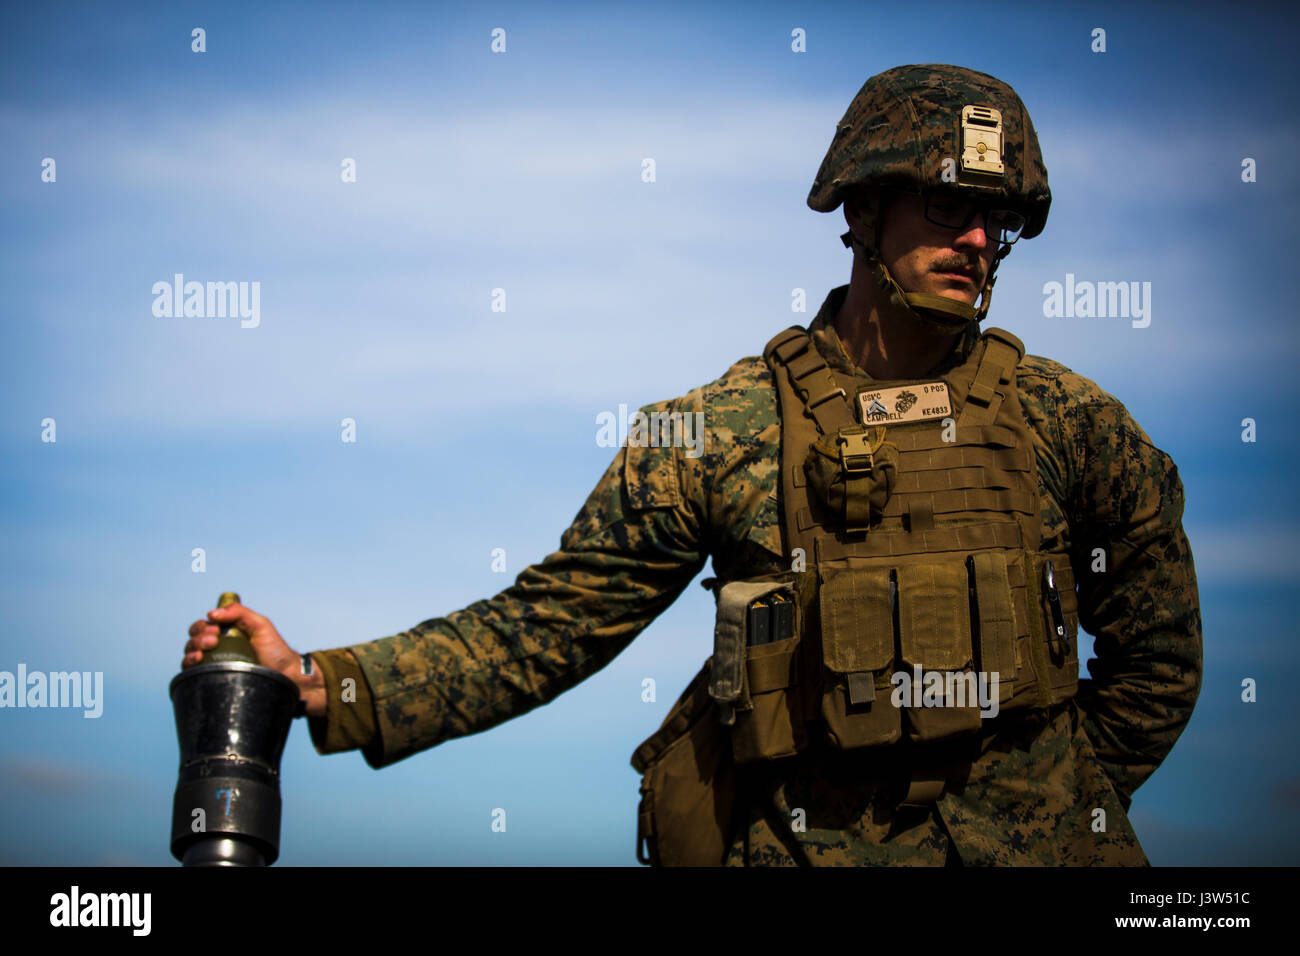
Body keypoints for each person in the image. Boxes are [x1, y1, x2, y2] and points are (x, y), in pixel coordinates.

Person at [182, 64, 1202, 866]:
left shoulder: (1070, 423)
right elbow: (550, 623)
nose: (979, 238)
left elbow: (1160, 657)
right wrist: (320, 681)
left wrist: (1055, 807)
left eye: (1002, 217)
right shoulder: (719, 429)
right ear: (862, 207)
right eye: (947, 205)